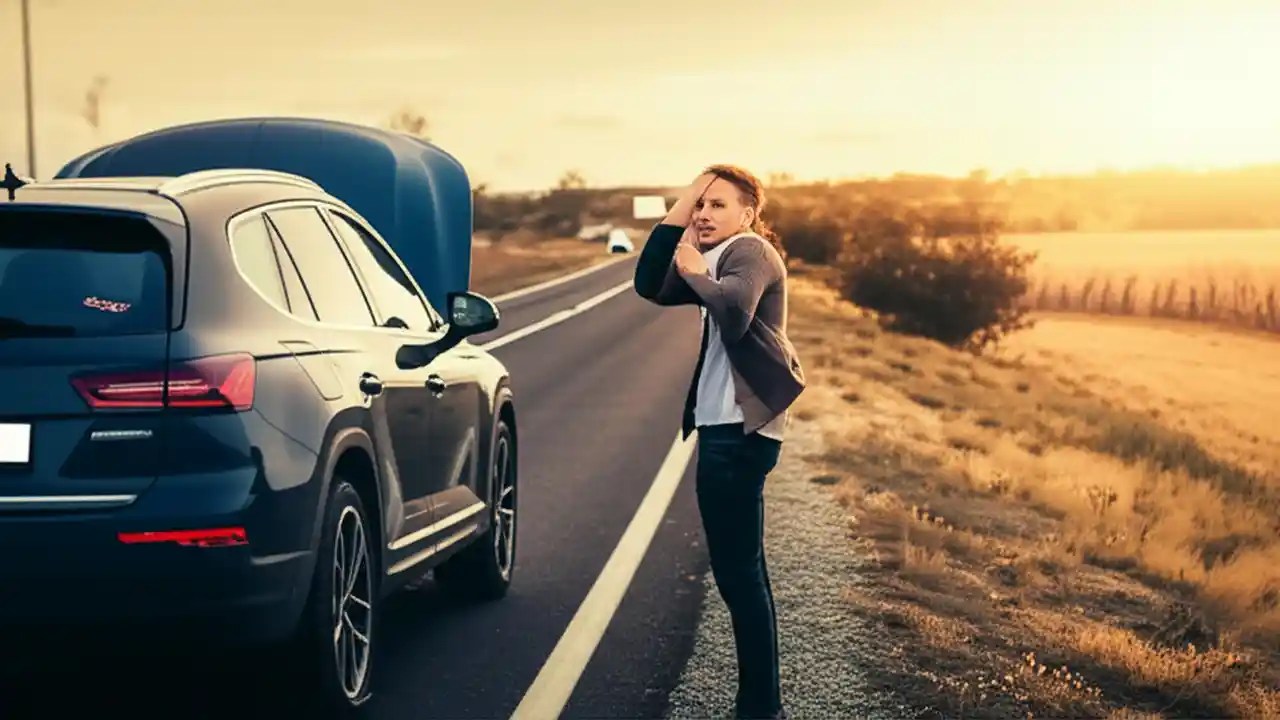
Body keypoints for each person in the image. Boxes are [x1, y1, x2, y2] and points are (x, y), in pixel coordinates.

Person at [633, 164, 805, 719]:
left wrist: (693, 267)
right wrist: (680, 210)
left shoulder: (749, 252)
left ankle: (760, 708)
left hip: (737, 431)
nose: (703, 215)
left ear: (748, 214)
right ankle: (761, 705)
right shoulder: (719, 254)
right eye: (699, 205)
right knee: (740, 573)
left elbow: (733, 313)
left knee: (739, 576)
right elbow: (649, 286)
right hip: (725, 428)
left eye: (716, 205)